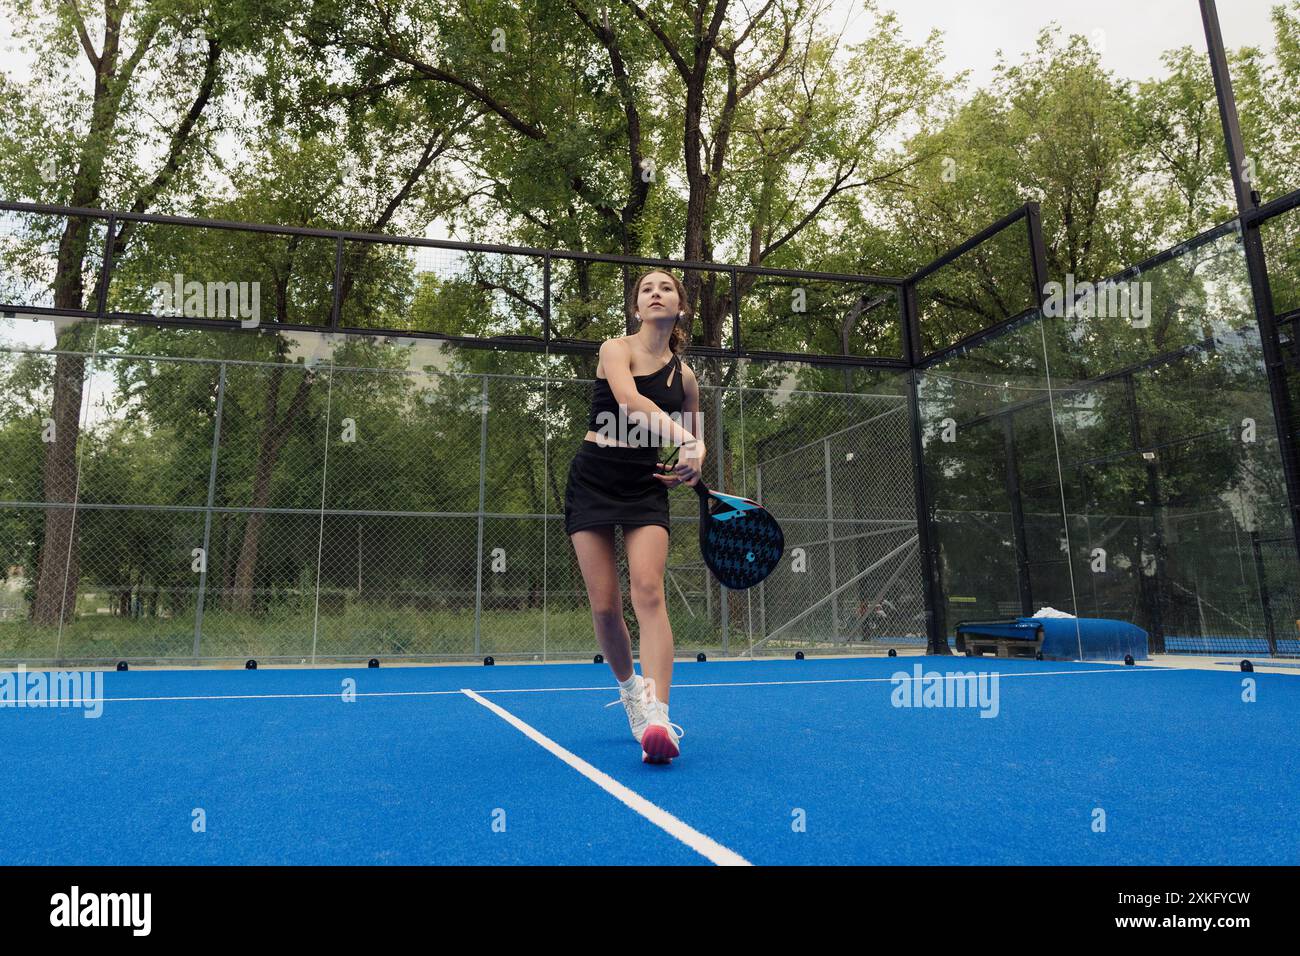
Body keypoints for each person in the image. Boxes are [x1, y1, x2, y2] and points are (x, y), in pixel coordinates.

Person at [563, 269, 705, 764]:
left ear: (679, 307)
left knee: (648, 590)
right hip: (594, 479)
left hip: (645, 489)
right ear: (637, 308)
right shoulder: (615, 349)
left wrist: (688, 462)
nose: (655, 293)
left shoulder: (686, 379)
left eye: (665, 288)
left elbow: (689, 449)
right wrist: (688, 439)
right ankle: (630, 693)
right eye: (646, 289)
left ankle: (659, 714)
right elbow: (629, 401)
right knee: (605, 607)